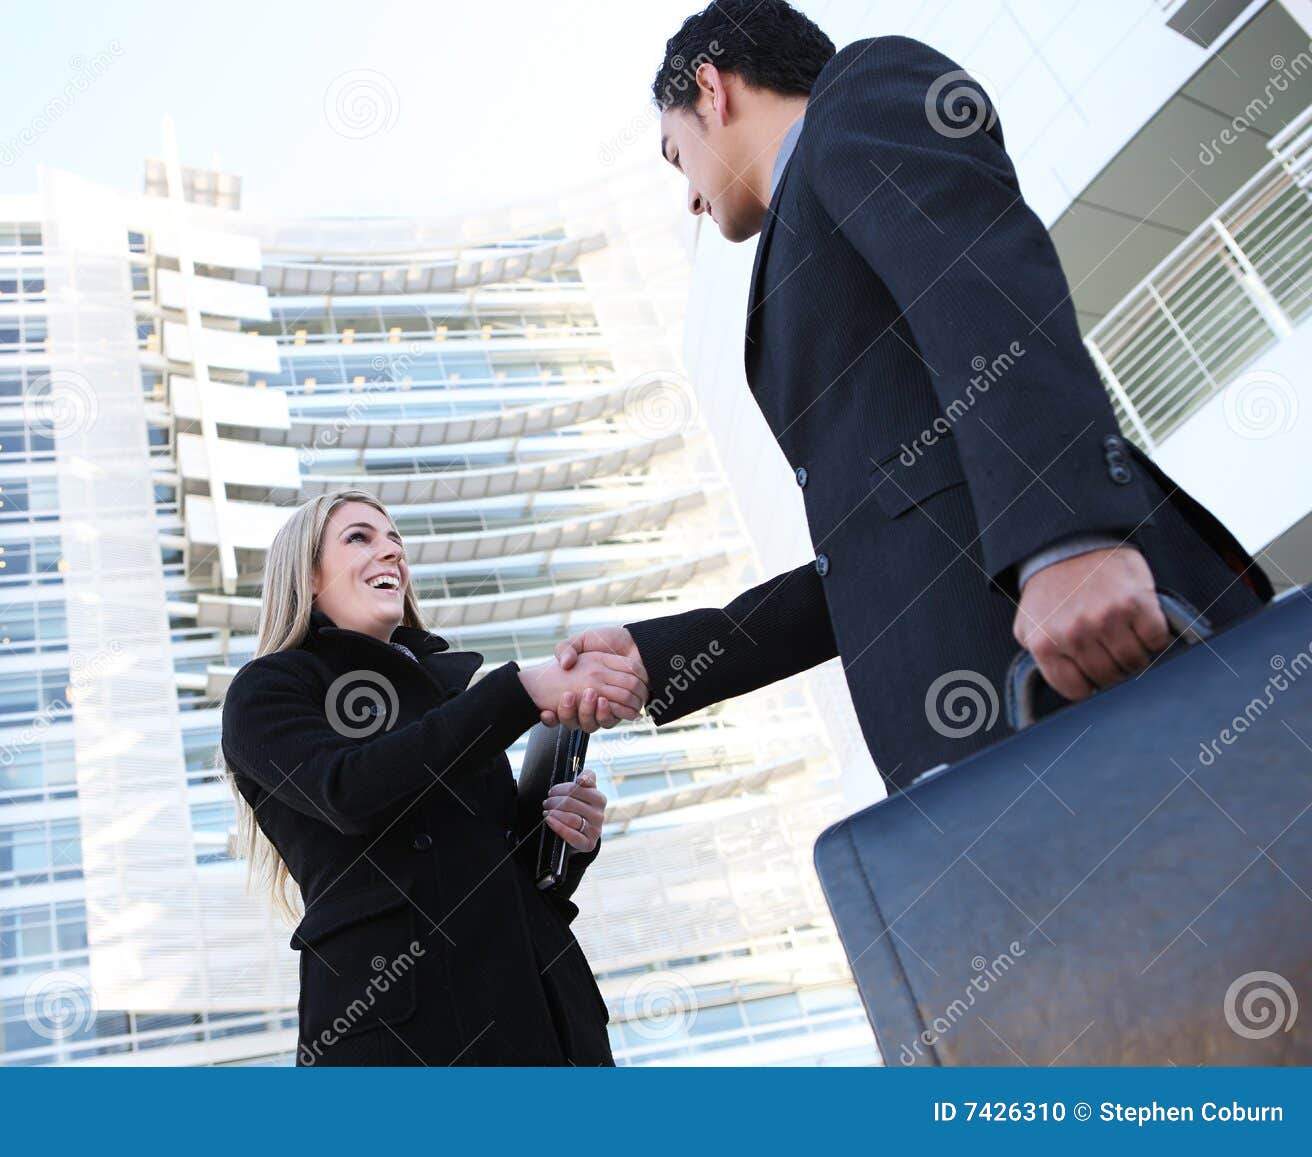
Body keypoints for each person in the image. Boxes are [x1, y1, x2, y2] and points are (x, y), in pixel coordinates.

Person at [544, 1, 1271, 786]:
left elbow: (984, 287)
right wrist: (661, 658)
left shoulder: (858, 96)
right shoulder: (801, 231)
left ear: (712, 89)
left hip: (1083, 658)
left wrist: (1070, 539)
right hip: (989, 733)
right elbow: (876, 548)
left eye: (675, 154)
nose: (689, 195)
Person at [221, 490, 635, 1065]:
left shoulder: (445, 700)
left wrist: (565, 837)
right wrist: (522, 690)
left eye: (396, 541)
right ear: (308, 575)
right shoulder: (265, 690)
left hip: (547, 1020)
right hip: (405, 1032)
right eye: (359, 537)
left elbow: (498, 871)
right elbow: (348, 792)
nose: (392, 552)